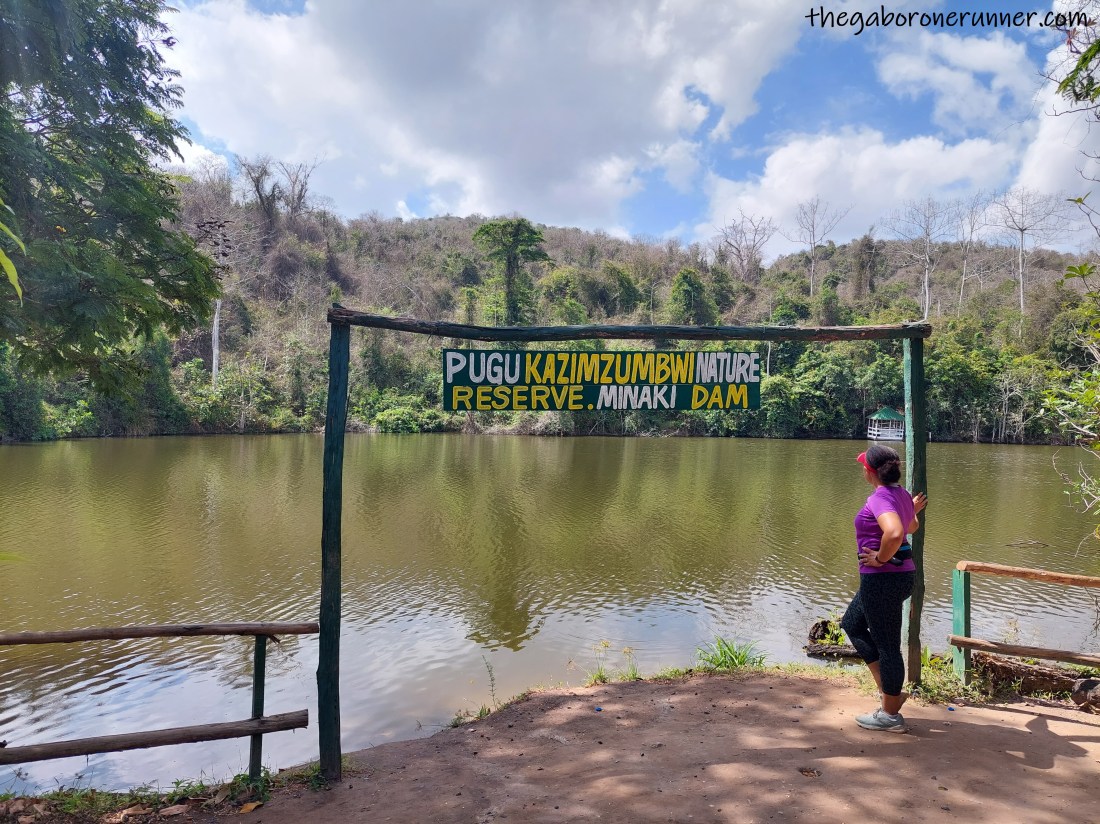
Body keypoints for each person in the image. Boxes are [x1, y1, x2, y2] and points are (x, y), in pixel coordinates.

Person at [840, 444, 927, 733]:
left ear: (870, 472)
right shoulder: (900, 495)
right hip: (898, 577)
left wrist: (879, 558)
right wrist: (909, 510)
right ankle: (887, 690)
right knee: (852, 623)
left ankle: (890, 715)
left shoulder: (880, 498)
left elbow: (893, 532)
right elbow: (910, 527)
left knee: (888, 645)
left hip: (883, 579)